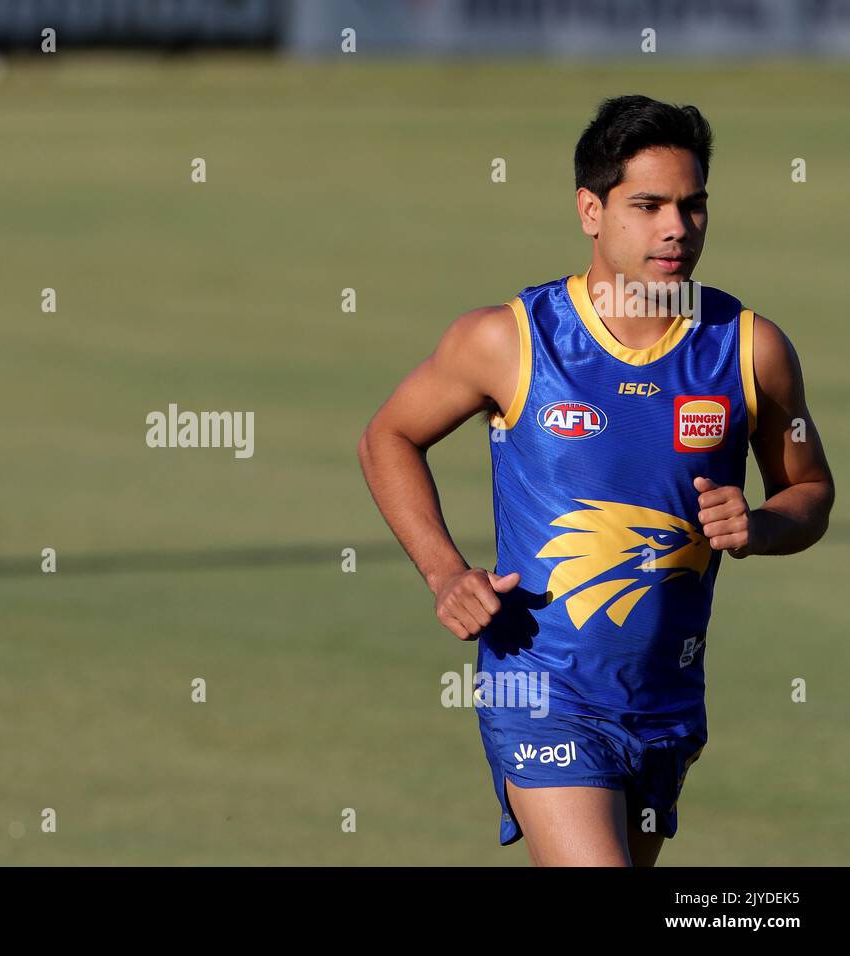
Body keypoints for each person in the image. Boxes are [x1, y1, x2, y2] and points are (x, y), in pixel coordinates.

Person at [357, 96, 834, 866]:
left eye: (692, 205)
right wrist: (445, 573)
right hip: (540, 694)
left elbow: (811, 490)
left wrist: (763, 526)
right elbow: (390, 436)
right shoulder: (507, 341)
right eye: (647, 206)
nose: (676, 227)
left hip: (665, 704)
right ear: (591, 210)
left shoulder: (750, 350)